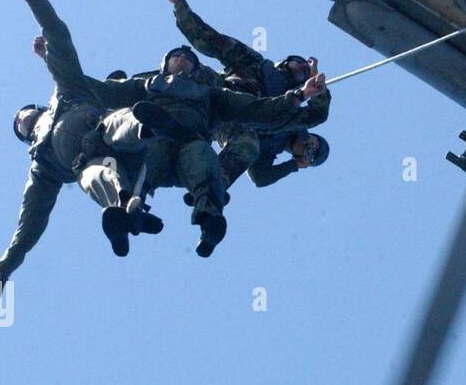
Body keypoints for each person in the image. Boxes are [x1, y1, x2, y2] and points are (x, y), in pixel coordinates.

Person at [0, 0, 162, 297]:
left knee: (117, 123)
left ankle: (146, 124)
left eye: (25, 115)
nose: (23, 121)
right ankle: (124, 212)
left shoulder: (67, 92)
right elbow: (28, 226)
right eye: (20, 127)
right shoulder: (43, 166)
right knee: (94, 174)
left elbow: (56, 31)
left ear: (37, 108)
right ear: (26, 137)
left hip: (111, 132)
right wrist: (1, 273)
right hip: (97, 166)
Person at [81, 44, 327, 256]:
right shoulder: (258, 69)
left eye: (311, 155)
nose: (308, 149)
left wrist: (303, 95)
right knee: (144, 156)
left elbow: (263, 123)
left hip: (210, 136)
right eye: (176, 56)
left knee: (214, 154)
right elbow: (105, 91)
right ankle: (127, 214)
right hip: (183, 123)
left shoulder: (268, 133)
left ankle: (209, 207)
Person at [163, 0, 331, 188]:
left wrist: (293, 165)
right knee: (186, 63)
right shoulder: (255, 64)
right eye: (298, 64)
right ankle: (149, 89)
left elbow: (260, 177)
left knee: (246, 142)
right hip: (218, 92)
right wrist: (179, 4)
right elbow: (211, 40)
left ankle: (208, 188)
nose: (301, 69)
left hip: (223, 119)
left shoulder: (287, 121)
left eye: (310, 152)